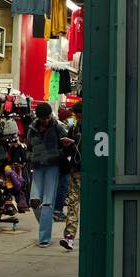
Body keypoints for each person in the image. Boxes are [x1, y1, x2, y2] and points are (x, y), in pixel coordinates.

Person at [28, 101, 72, 246]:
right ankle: (47, 222)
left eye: (47, 117)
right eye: (43, 118)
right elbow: (28, 147)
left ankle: (44, 238)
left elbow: (67, 144)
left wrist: (60, 152)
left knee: (47, 203)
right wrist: (30, 156)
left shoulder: (57, 127)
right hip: (38, 166)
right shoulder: (32, 129)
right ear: (38, 117)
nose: (45, 120)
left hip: (53, 166)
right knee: (34, 201)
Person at [58, 102, 83, 250]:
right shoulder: (74, 128)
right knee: (73, 204)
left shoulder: (94, 127)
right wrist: (67, 146)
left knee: (76, 204)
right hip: (76, 170)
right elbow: (66, 152)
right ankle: (69, 237)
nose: (78, 118)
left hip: (85, 170)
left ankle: (71, 236)